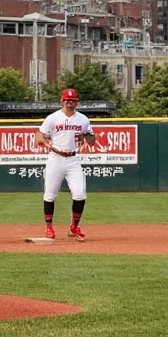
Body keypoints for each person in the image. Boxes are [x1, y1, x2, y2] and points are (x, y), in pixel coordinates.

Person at [33, 88, 95, 241]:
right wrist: (43, 140)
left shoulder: (83, 119)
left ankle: (74, 227)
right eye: (67, 100)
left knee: (80, 194)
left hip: (73, 159)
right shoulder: (53, 118)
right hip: (55, 158)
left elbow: (92, 140)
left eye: (72, 100)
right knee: (50, 194)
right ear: (62, 100)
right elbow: (38, 135)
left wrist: (87, 135)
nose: (69, 102)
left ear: (76, 102)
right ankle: (49, 228)